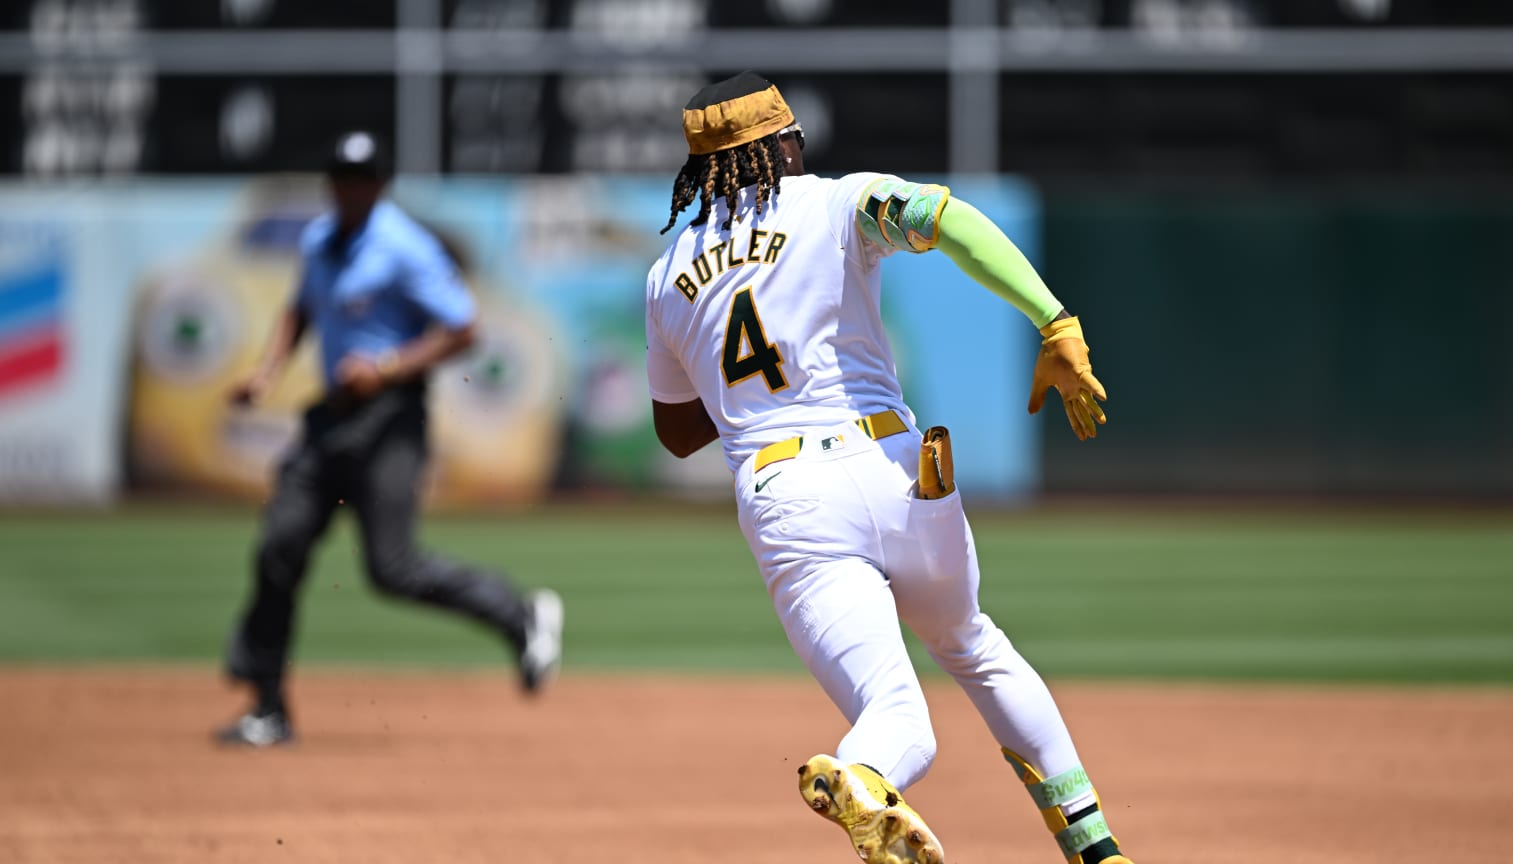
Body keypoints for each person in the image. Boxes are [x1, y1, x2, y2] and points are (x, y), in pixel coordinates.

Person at [645, 73, 1129, 864]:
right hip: (899, 471)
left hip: (789, 495)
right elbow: (947, 218)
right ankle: (1096, 849)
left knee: (897, 714)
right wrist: (1054, 321)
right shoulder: (839, 202)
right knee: (974, 646)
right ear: (784, 145)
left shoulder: (667, 275)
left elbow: (675, 432)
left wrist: (740, 385)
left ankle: (864, 776)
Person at [216, 130, 564, 747]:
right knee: (279, 543)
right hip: (331, 418)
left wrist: (385, 367)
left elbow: (463, 327)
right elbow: (300, 308)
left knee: (393, 568)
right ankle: (267, 705)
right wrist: (266, 373)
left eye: (362, 178)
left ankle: (520, 614)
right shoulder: (320, 239)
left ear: (380, 184)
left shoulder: (404, 246)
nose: (350, 188)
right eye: (342, 177)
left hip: (390, 419)